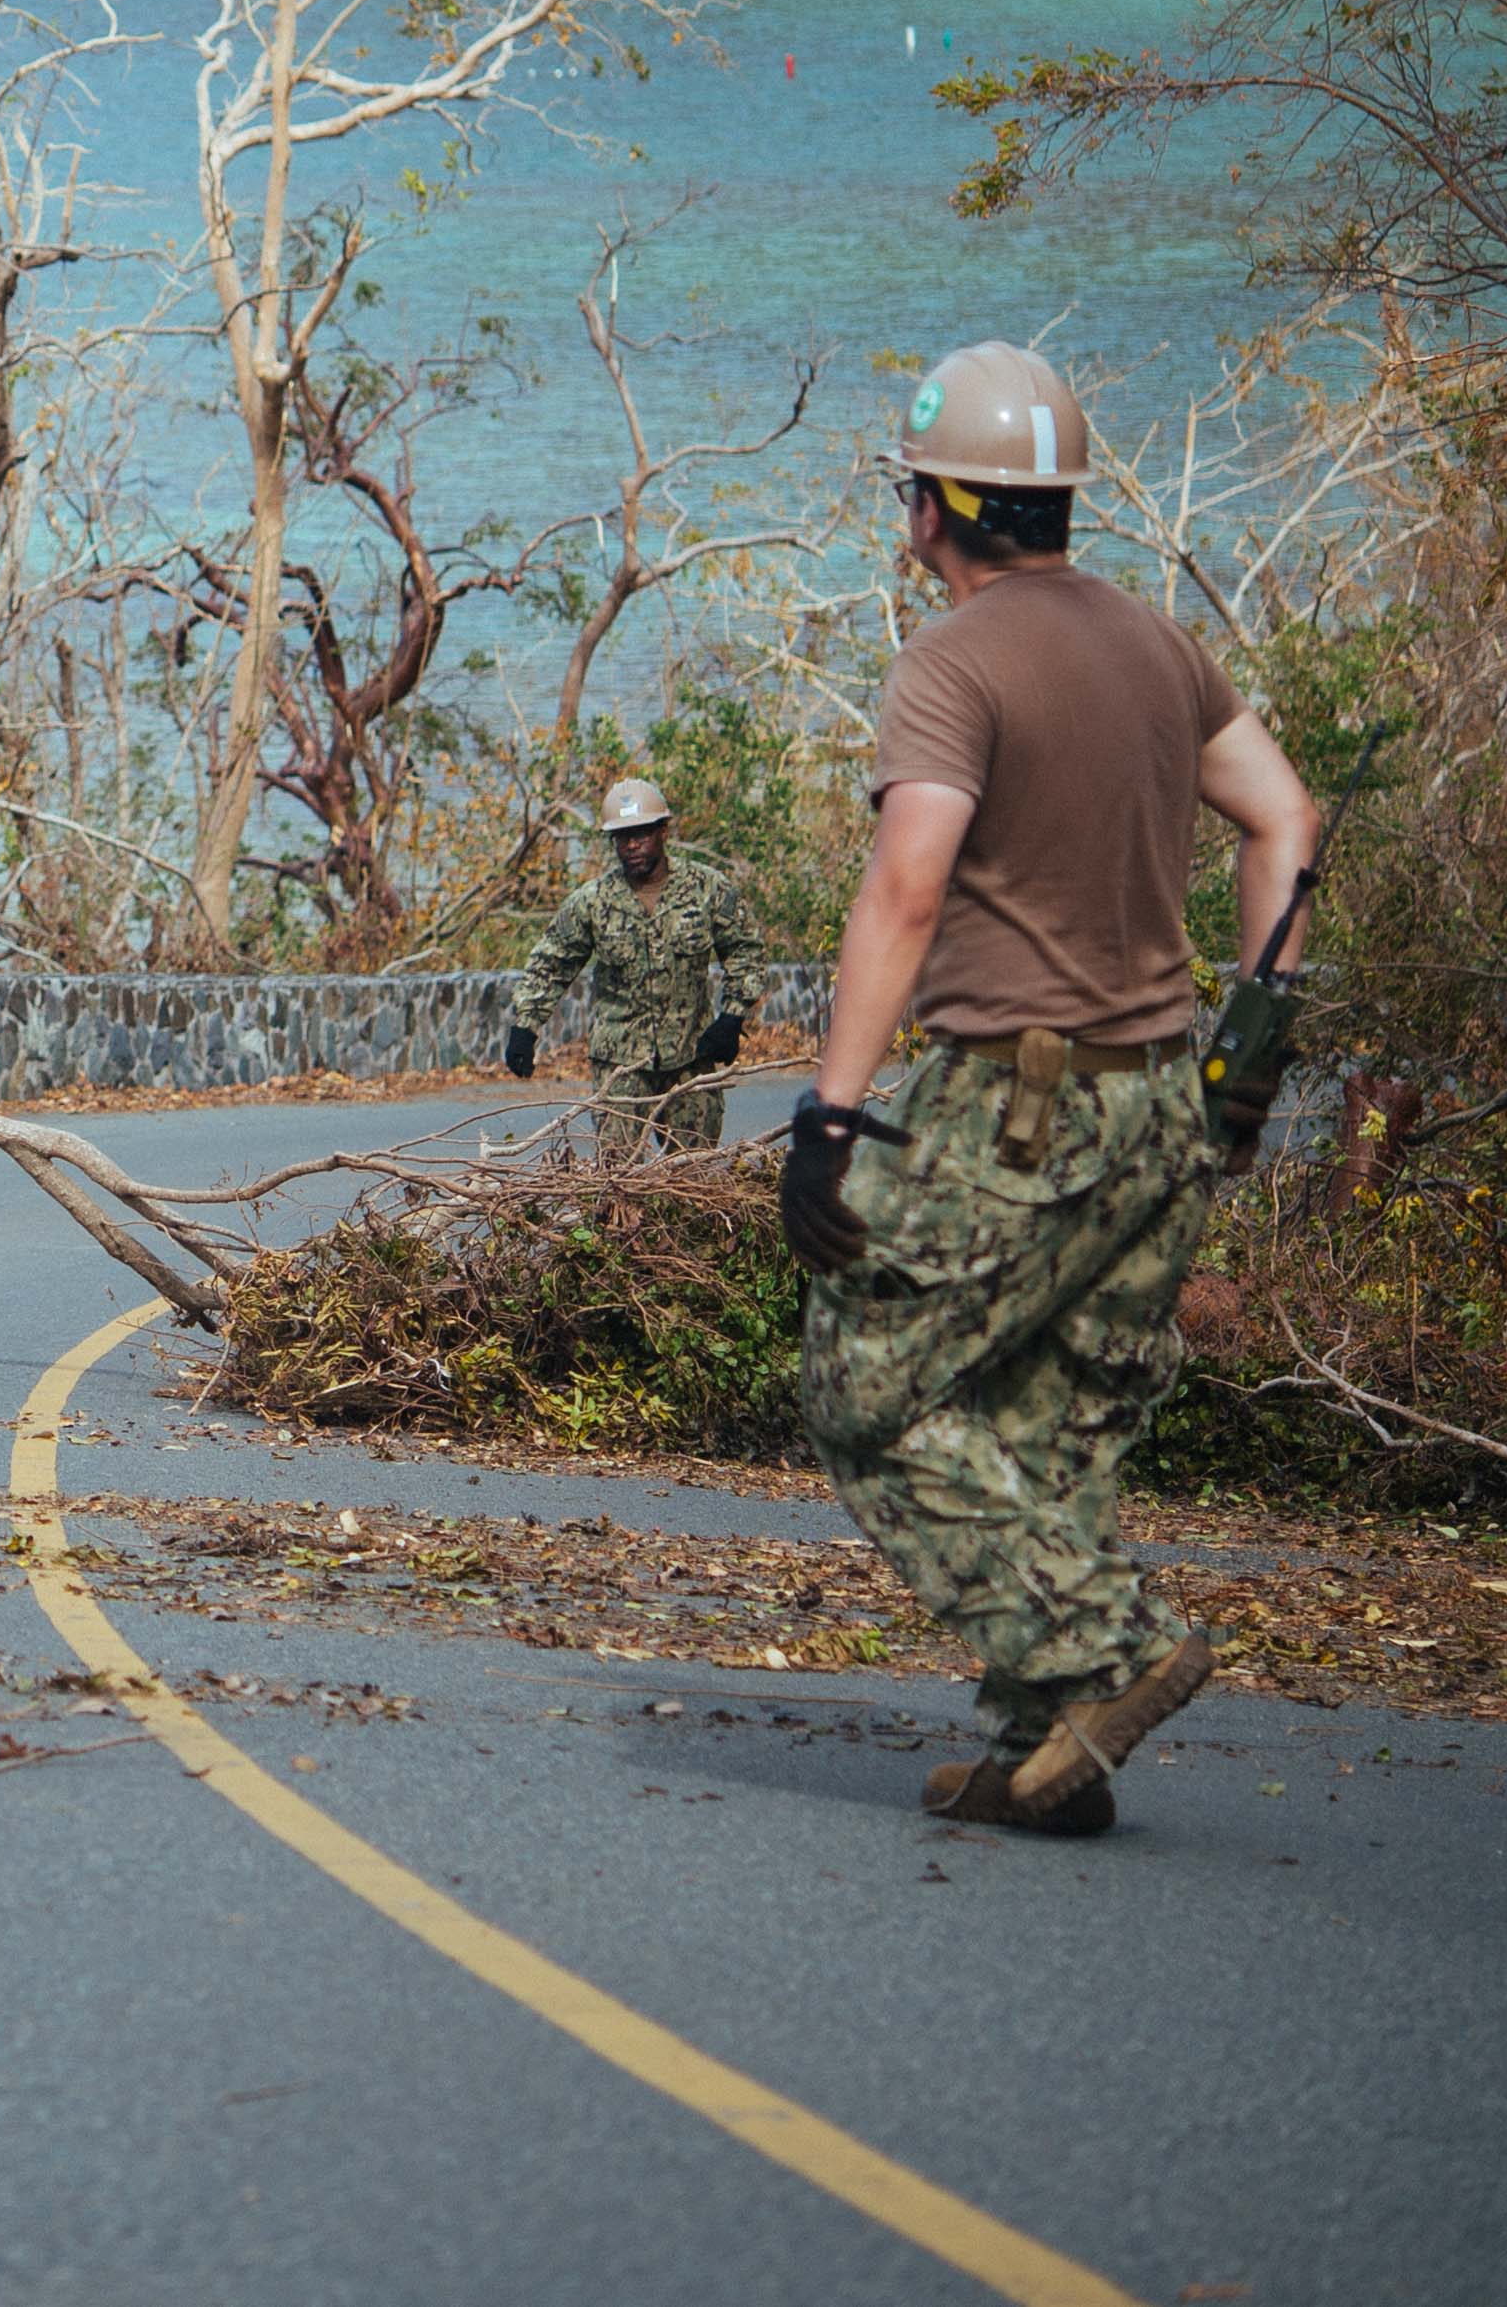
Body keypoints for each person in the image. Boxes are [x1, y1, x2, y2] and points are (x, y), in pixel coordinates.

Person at [779, 342, 1319, 1835]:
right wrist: (1250, 1047)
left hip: (1018, 1103)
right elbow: (1282, 819)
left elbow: (904, 888)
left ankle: (1107, 1653)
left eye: (908, 492)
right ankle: (1047, 1751)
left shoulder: (950, 664)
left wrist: (829, 1113)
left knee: (863, 1389)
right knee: (1046, 1422)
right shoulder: (1157, 646)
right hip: (1163, 1105)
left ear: (934, 510)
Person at [505, 775, 766, 1159]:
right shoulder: (593, 901)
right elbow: (551, 963)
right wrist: (526, 1027)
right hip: (620, 1066)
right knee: (619, 1174)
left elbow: (745, 950)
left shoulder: (707, 889)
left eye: (641, 834)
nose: (631, 846)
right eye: (622, 837)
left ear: (663, 832)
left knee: (693, 1174)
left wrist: (732, 1016)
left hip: (691, 1056)